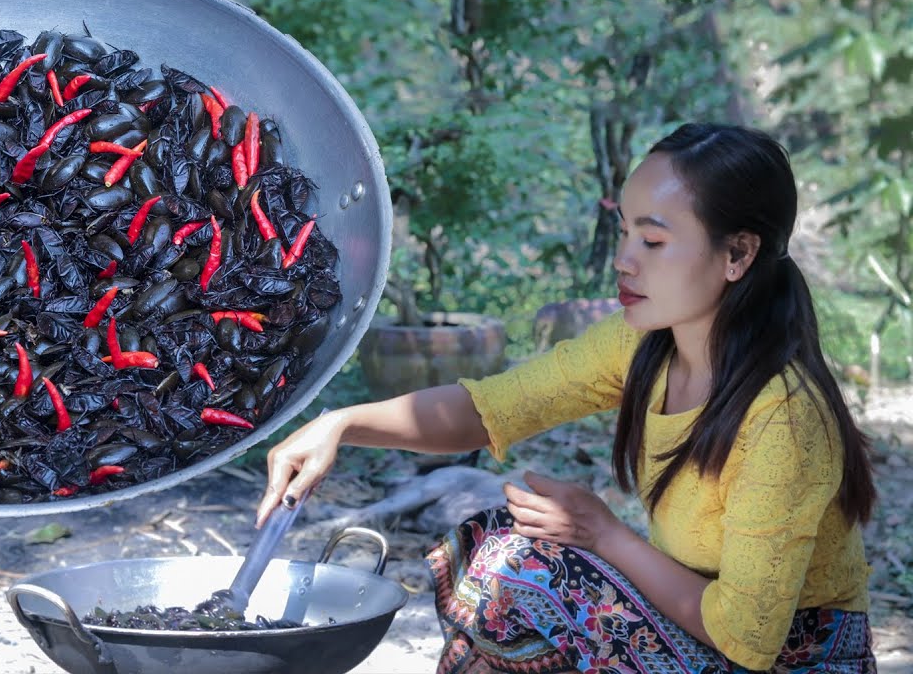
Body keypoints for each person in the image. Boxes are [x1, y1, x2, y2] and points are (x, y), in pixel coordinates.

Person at [256, 123, 877, 673]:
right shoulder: (647, 348)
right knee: (490, 541)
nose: (624, 260)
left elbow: (746, 639)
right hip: (693, 634)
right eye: (624, 231)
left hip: (791, 658)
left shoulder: (784, 417)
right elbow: (489, 408)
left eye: (653, 242)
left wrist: (604, 534)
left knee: (525, 568)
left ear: (737, 254)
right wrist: (339, 424)